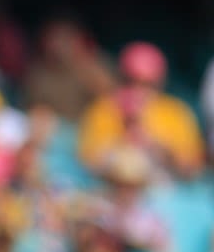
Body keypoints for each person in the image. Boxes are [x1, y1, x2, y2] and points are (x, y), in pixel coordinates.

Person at [79, 42, 203, 179]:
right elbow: (88, 165)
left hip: (165, 186)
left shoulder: (175, 112)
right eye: (131, 81)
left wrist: (156, 148)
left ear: (159, 83)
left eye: (147, 84)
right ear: (122, 80)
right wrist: (121, 145)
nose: (138, 90)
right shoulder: (103, 110)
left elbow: (191, 168)